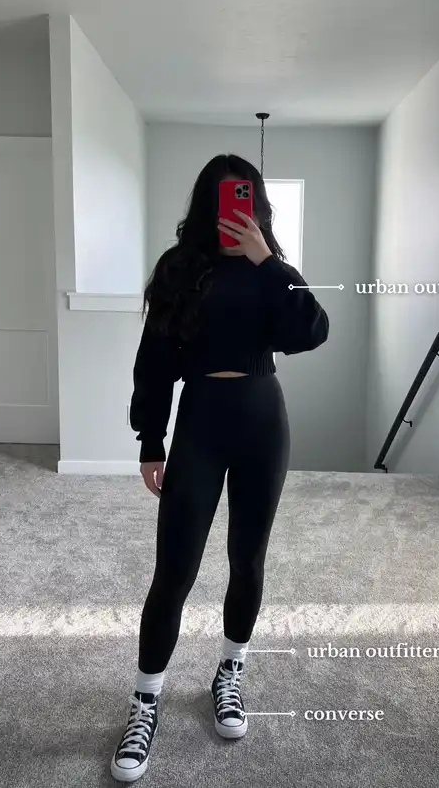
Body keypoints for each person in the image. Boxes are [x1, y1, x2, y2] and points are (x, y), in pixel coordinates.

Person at [110, 154, 329, 782]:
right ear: (209, 201)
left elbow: (312, 330)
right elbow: (154, 359)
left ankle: (229, 671)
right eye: (228, 196)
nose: (238, 206)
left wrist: (268, 262)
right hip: (201, 421)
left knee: (247, 559)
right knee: (174, 569)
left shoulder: (271, 269)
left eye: (247, 196)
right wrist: (151, 439)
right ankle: (146, 699)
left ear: (257, 203)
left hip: (263, 421)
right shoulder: (179, 268)